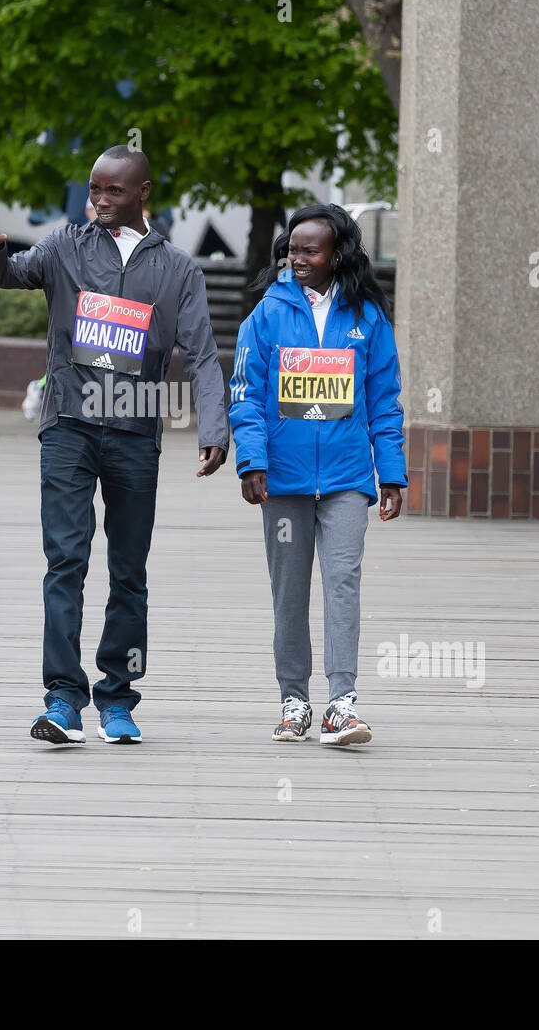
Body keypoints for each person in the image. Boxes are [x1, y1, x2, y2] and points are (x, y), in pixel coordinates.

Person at [0, 145, 229, 745]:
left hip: (136, 430)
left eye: (113, 191)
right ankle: (62, 699)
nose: (100, 200)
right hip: (69, 427)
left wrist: (215, 426)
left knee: (129, 571)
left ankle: (118, 699)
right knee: (66, 561)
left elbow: (203, 354)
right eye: (94, 189)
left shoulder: (178, 270)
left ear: (143, 193)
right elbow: (14, 273)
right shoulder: (65, 246)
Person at [229, 203, 406, 746]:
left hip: (349, 479)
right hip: (283, 478)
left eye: (311, 250)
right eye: (292, 249)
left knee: (343, 583)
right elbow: (246, 396)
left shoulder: (367, 319)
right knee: (289, 591)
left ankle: (341, 704)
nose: (297, 258)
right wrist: (251, 461)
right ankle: (293, 701)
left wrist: (391, 473)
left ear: (338, 254)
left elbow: (385, 401)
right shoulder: (266, 315)